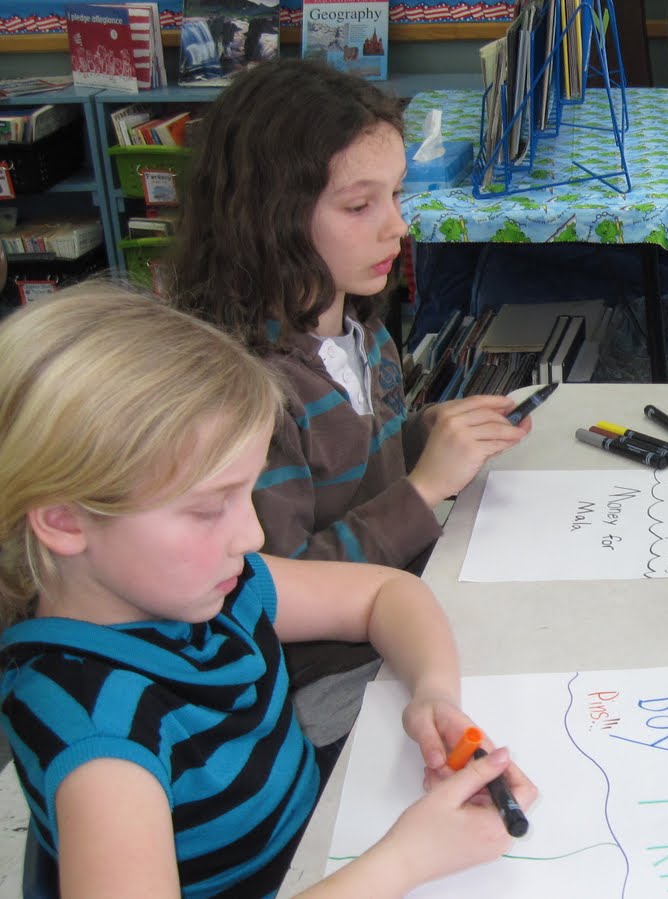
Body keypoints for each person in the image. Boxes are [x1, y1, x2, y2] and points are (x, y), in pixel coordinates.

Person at [0, 285, 537, 897]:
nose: (252, 533)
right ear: (67, 521)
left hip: (311, 847)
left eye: (246, 493)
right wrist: (405, 861)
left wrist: (432, 694)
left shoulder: (201, 589)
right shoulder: (103, 739)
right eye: (210, 508)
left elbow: (385, 595)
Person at [167, 59, 531, 765]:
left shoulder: (361, 332)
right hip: (324, 683)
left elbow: (369, 456)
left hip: (410, 614)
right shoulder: (247, 396)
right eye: (360, 206)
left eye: (396, 195)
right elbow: (272, 583)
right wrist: (426, 488)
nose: (397, 226)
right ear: (270, 217)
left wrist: (440, 431)